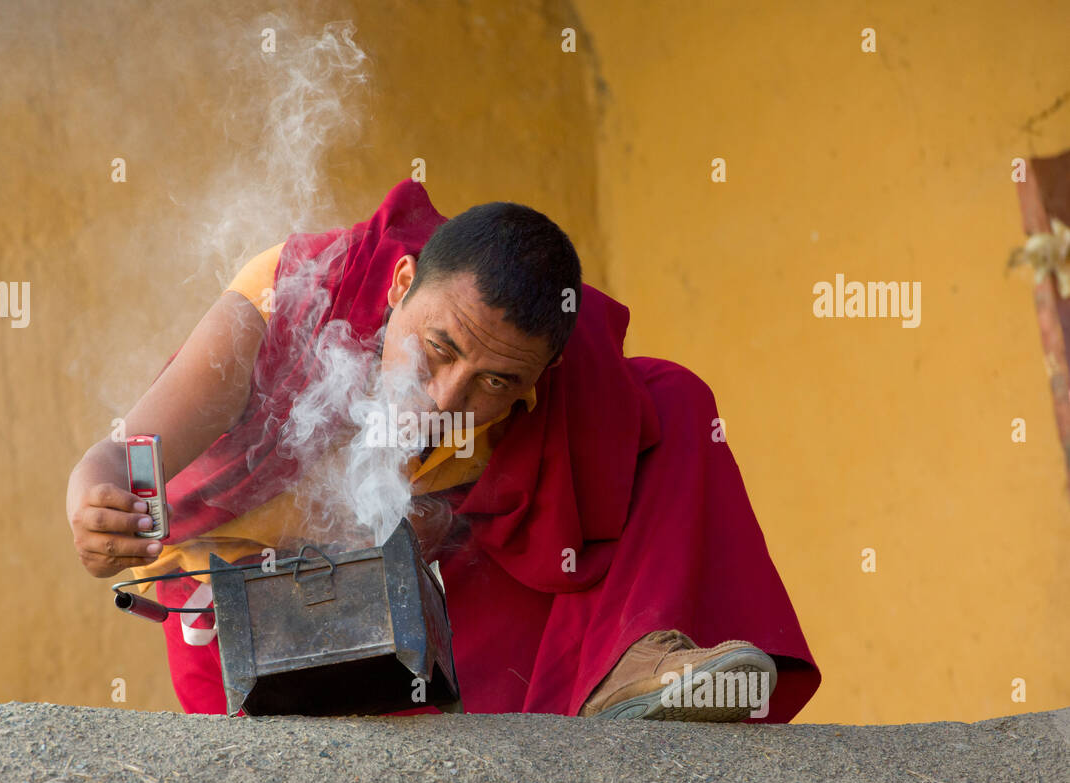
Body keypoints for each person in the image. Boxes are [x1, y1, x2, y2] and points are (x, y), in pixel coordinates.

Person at [66, 179, 821, 722]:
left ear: (536, 380)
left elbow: (487, 507)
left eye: (494, 380)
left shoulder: (542, 399)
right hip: (237, 613)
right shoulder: (294, 296)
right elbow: (125, 455)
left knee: (667, 398)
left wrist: (425, 522)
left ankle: (629, 666)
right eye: (437, 349)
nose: (449, 396)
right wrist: (99, 503)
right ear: (398, 285)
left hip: (389, 626)